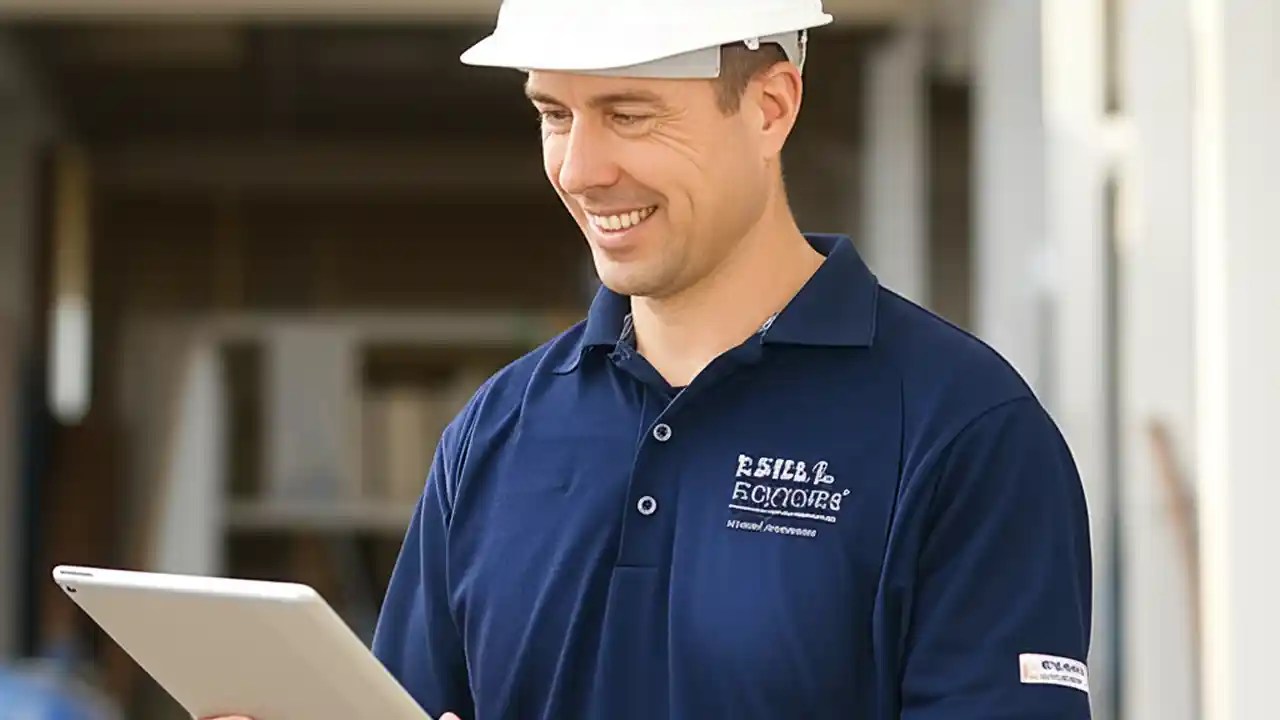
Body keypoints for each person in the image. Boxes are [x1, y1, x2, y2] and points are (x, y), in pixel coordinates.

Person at [209, 0, 1093, 718]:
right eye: (554, 115)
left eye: (628, 115)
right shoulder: (496, 434)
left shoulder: (961, 433)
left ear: (770, 107)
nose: (579, 169)